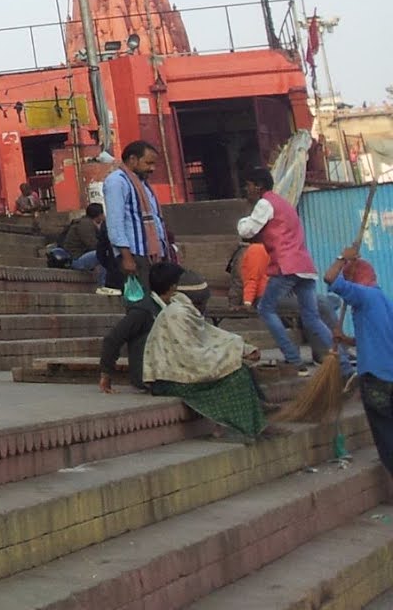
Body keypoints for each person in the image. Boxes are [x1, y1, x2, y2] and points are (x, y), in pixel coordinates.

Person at [107, 261, 268, 439]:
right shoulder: (175, 313)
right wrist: (233, 355)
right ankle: (235, 429)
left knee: (240, 368)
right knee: (235, 377)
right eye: (200, 302)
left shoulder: (187, 311)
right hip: (169, 381)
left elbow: (212, 335)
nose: (202, 307)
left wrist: (243, 349)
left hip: (182, 373)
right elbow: (192, 357)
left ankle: (255, 420)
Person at [237, 165, 334, 372]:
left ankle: (294, 360)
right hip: (304, 265)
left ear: (258, 186)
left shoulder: (265, 203)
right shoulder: (284, 203)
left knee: (265, 308)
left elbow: (247, 230)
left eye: (249, 186)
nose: (247, 190)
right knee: (312, 317)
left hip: (285, 264)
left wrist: (243, 219)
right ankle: (341, 361)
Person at [325, 245, 393, 477]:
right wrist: (345, 339)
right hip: (389, 375)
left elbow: (330, 278)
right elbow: (376, 337)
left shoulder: (363, 296)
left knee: (386, 436)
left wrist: (343, 257)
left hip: (376, 379)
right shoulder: (384, 300)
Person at [102, 140, 166, 299]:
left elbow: (154, 219)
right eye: (148, 163)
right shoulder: (117, 181)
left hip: (152, 253)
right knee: (141, 304)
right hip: (134, 253)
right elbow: (115, 223)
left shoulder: (143, 184)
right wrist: (126, 257)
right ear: (133, 160)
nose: (152, 168)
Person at [48, 202, 106, 275]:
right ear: (99, 215)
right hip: (75, 260)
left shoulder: (87, 223)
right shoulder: (85, 224)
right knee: (104, 253)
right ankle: (104, 284)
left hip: (78, 256)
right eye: (103, 214)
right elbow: (93, 245)